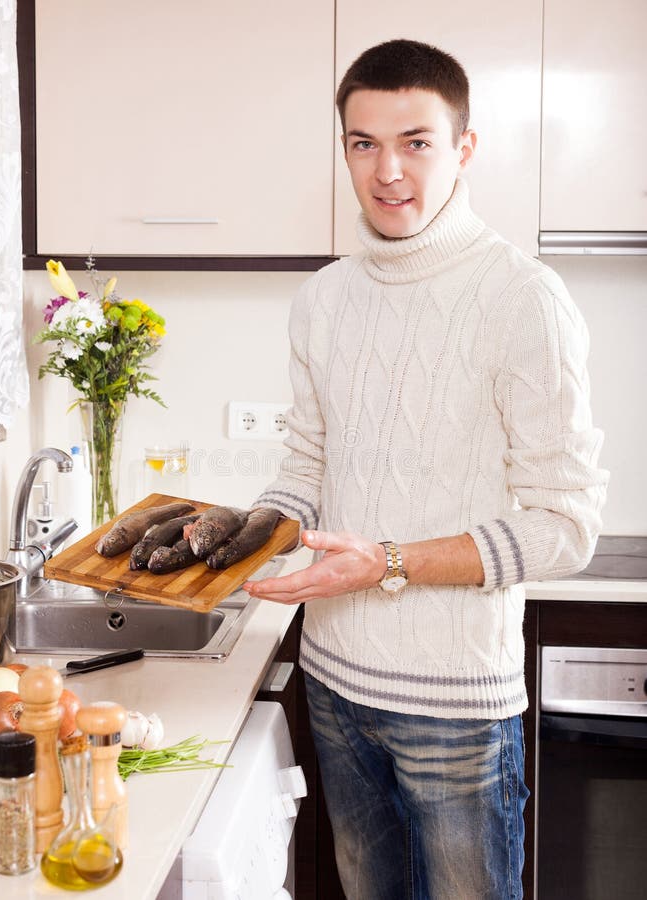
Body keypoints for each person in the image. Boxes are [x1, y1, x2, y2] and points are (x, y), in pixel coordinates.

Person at [243, 38, 608, 899]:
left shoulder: (522, 298)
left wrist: (392, 562)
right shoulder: (323, 298)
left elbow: (567, 528)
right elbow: (307, 463)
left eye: (415, 141)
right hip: (334, 682)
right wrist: (238, 532)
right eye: (363, 143)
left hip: (455, 706)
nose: (388, 171)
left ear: (463, 148)